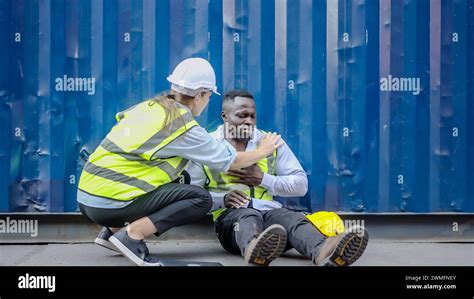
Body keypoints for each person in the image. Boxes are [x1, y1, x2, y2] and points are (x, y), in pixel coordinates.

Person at [76, 59, 283, 266]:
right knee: (200, 198)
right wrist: (264, 150)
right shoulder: (180, 125)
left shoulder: (149, 107)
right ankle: (131, 236)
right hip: (108, 204)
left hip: (87, 198)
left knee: (179, 179)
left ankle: (112, 233)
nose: (208, 101)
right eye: (209, 96)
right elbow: (230, 161)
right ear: (200, 95)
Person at [186, 89, 369, 266]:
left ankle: (324, 253)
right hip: (230, 222)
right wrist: (222, 200)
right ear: (224, 116)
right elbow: (192, 197)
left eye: (252, 116)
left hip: (270, 217)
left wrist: (263, 179)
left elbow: (301, 185)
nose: (249, 122)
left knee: (291, 219)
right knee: (246, 216)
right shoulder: (209, 146)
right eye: (242, 116)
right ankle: (254, 248)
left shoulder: (271, 142)